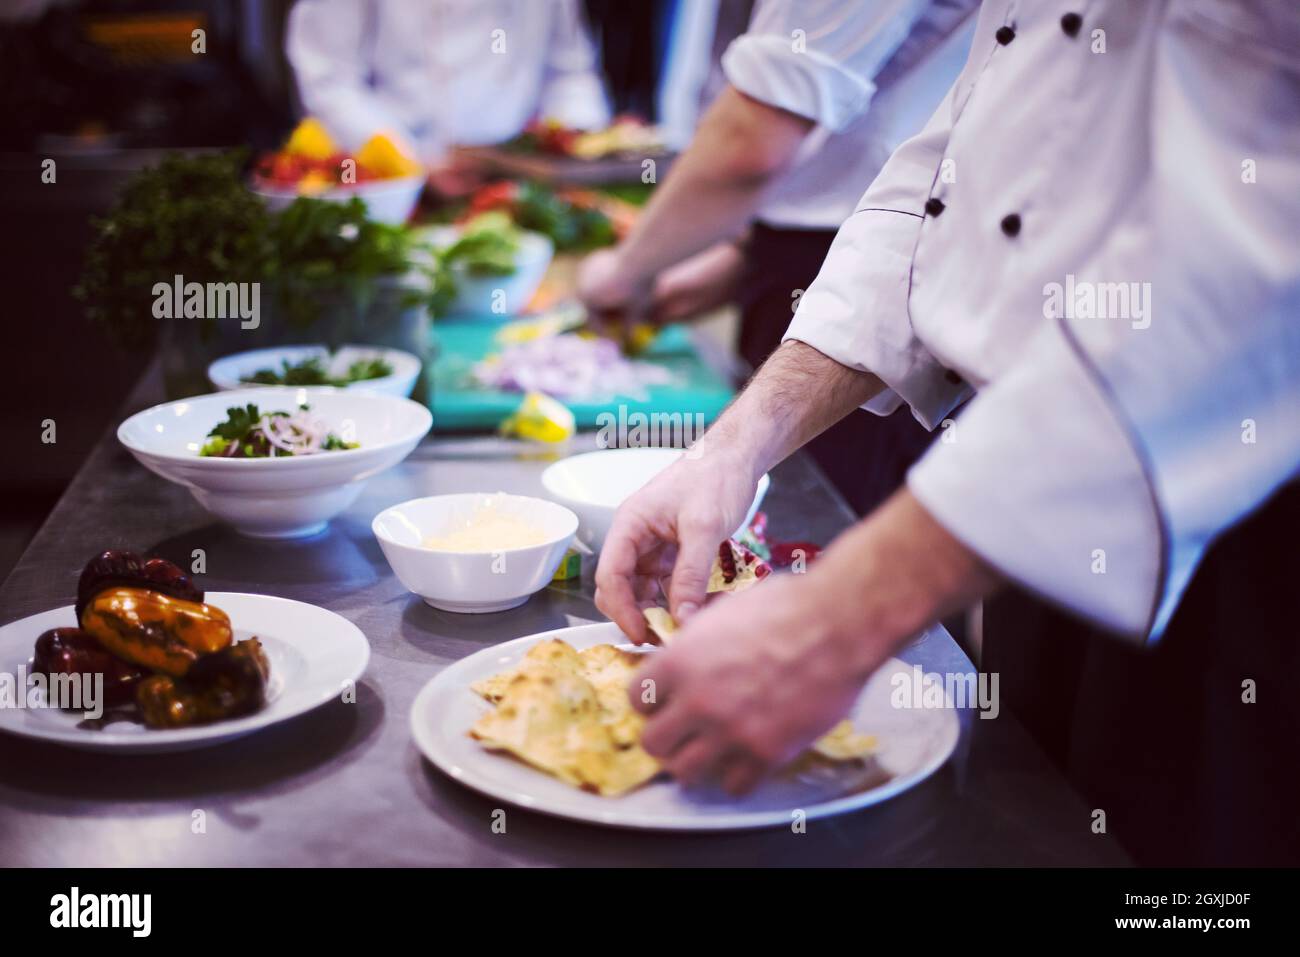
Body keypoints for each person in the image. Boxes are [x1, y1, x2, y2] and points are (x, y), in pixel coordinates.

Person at [596, 0, 1300, 863]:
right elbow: (947, 184)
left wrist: (836, 616)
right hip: (1018, 493)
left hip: (1224, 504)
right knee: (1037, 830)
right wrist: (734, 445)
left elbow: (1253, 265)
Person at [579, 0, 979, 514]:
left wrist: (623, 270)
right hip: (835, 257)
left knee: (817, 531)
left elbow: (754, 138)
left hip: (868, 281)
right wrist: (749, 255)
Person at [285, 0, 610, 193]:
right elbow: (329, 79)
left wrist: (569, 149)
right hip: (398, 187)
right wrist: (412, 163)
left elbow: (570, 72)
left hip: (523, 184)